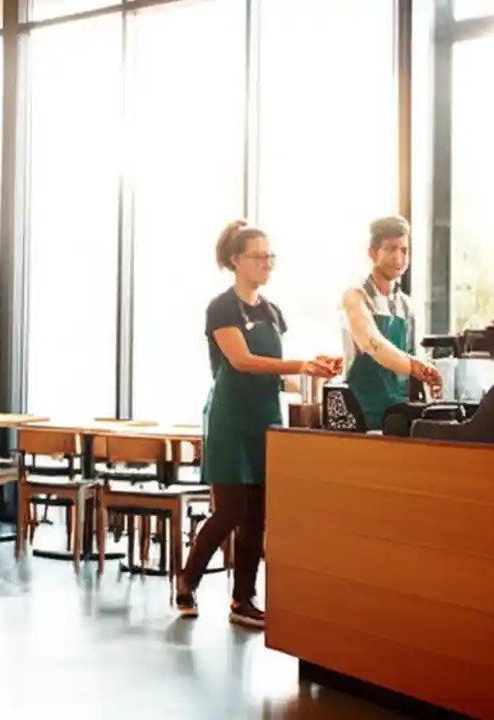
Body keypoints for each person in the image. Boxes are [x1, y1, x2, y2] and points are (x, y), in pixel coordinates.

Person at [175, 220, 337, 629]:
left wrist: (312, 375)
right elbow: (242, 361)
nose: (267, 263)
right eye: (258, 256)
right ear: (235, 260)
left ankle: (243, 599)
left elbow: (273, 375)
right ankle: (186, 582)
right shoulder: (222, 307)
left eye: (270, 256)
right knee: (229, 511)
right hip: (230, 418)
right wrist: (299, 363)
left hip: (266, 417)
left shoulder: (272, 311)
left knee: (258, 516)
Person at [341, 216, 442, 430]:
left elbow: (411, 356)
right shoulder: (356, 297)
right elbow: (372, 343)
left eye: (404, 250)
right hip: (361, 415)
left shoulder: (406, 306)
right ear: (372, 253)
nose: (398, 258)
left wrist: (428, 382)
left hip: (399, 416)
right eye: (390, 249)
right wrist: (416, 366)